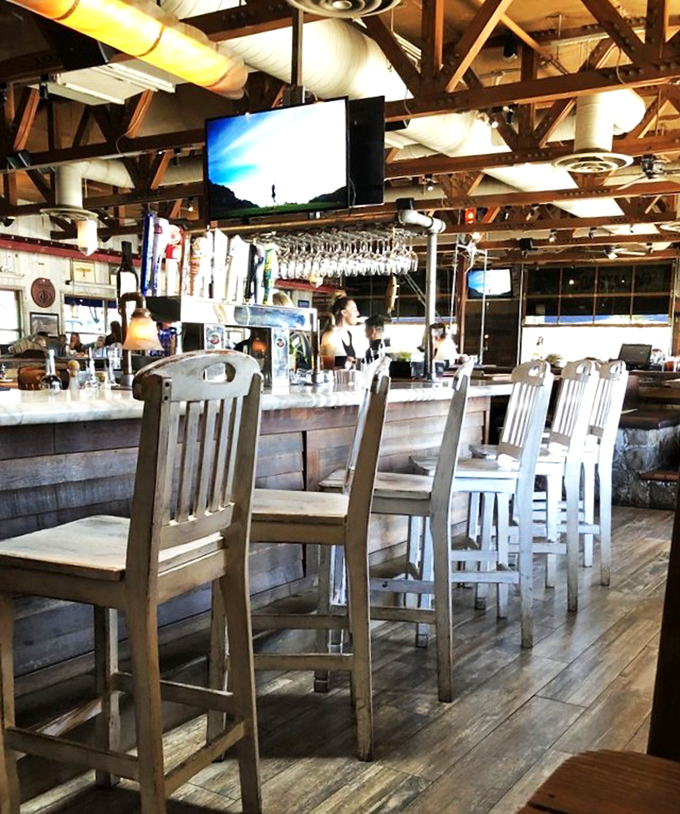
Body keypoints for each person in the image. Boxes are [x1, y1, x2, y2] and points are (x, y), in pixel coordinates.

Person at [320, 295, 368, 363]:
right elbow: (329, 361)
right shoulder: (331, 335)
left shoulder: (349, 334)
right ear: (344, 313)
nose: (358, 313)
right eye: (354, 310)